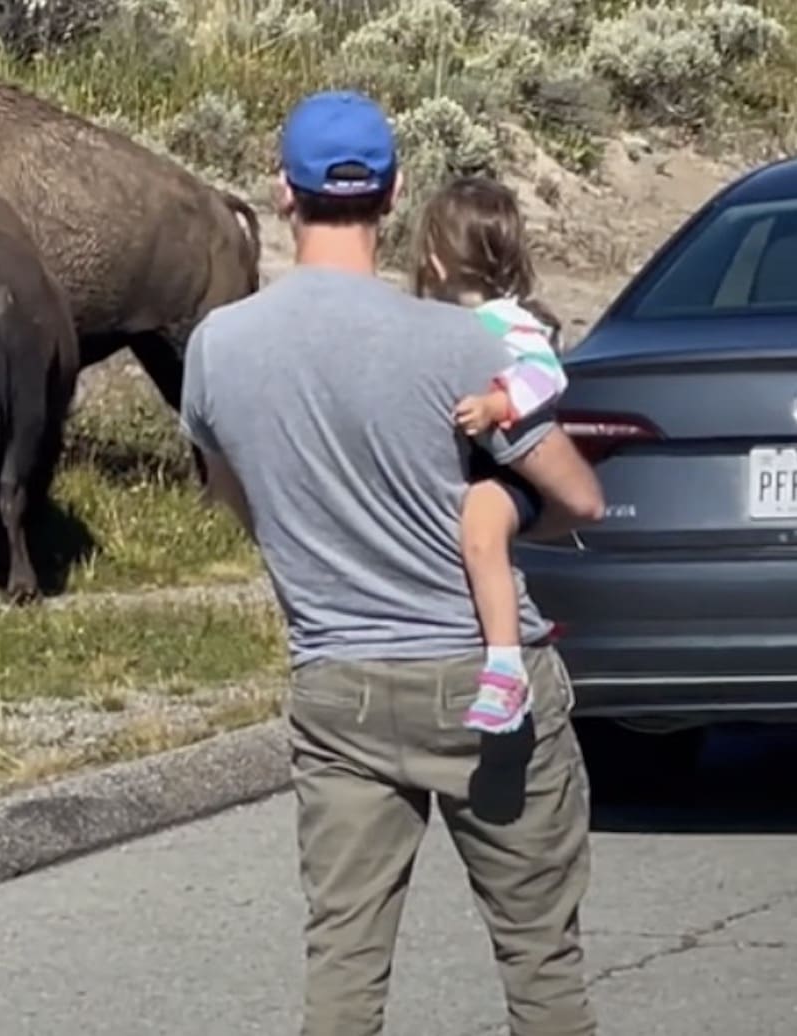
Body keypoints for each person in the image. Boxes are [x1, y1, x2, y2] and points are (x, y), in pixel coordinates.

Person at [178, 89, 605, 1036]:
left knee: (344, 968)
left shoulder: (218, 348)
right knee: (541, 965)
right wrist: (495, 508)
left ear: (284, 195)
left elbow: (231, 494)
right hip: (484, 676)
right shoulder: (466, 343)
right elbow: (579, 498)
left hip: (339, 681)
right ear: (395, 193)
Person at [411, 175, 571, 735]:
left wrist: (496, 403)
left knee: (481, 537)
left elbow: (548, 377)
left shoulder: (510, 320)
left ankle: (505, 670)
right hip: (470, 465)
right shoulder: (441, 322)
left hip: (505, 472)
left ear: (436, 257)